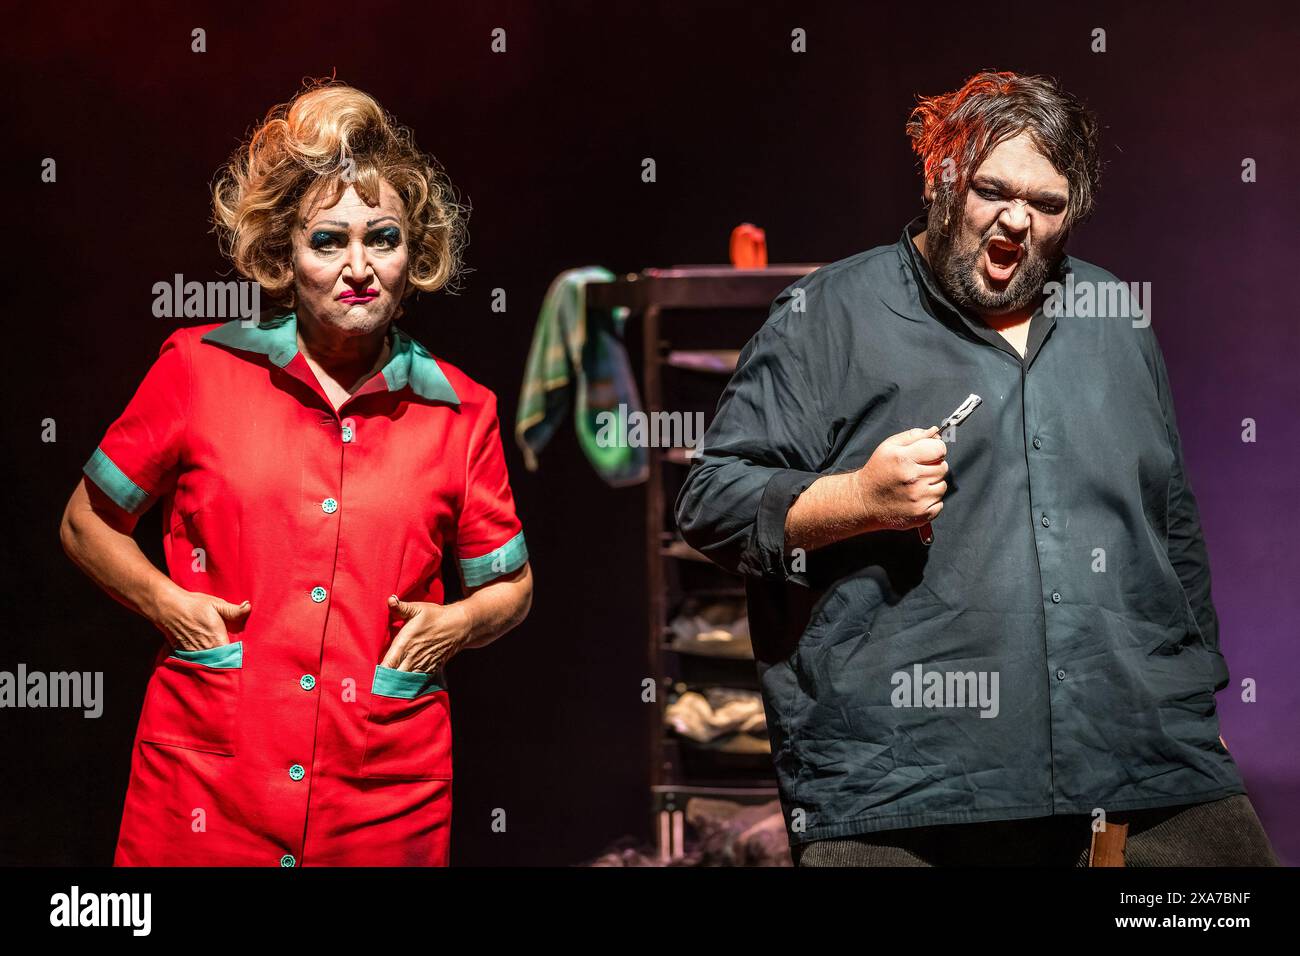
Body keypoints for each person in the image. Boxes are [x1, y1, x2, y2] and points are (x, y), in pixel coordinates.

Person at [674, 71, 1278, 866]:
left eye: (1049, 204)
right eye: (994, 190)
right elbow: (710, 501)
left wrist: (1195, 699)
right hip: (904, 783)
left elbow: (1169, 525)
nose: (1018, 222)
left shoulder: (1112, 317)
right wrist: (857, 497)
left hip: (1139, 748)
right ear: (941, 176)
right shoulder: (826, 316)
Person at [59, 81, 532, 866]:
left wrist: (457, 626)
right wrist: (169, 604)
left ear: (414, 253)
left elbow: (511, 588)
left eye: (381, 238)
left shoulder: (461, 411)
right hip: (209, 788)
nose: (357, 267)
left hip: (380, 802)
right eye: (327, 242)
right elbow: (85, 522)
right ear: (283, 255)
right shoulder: (197, 370)